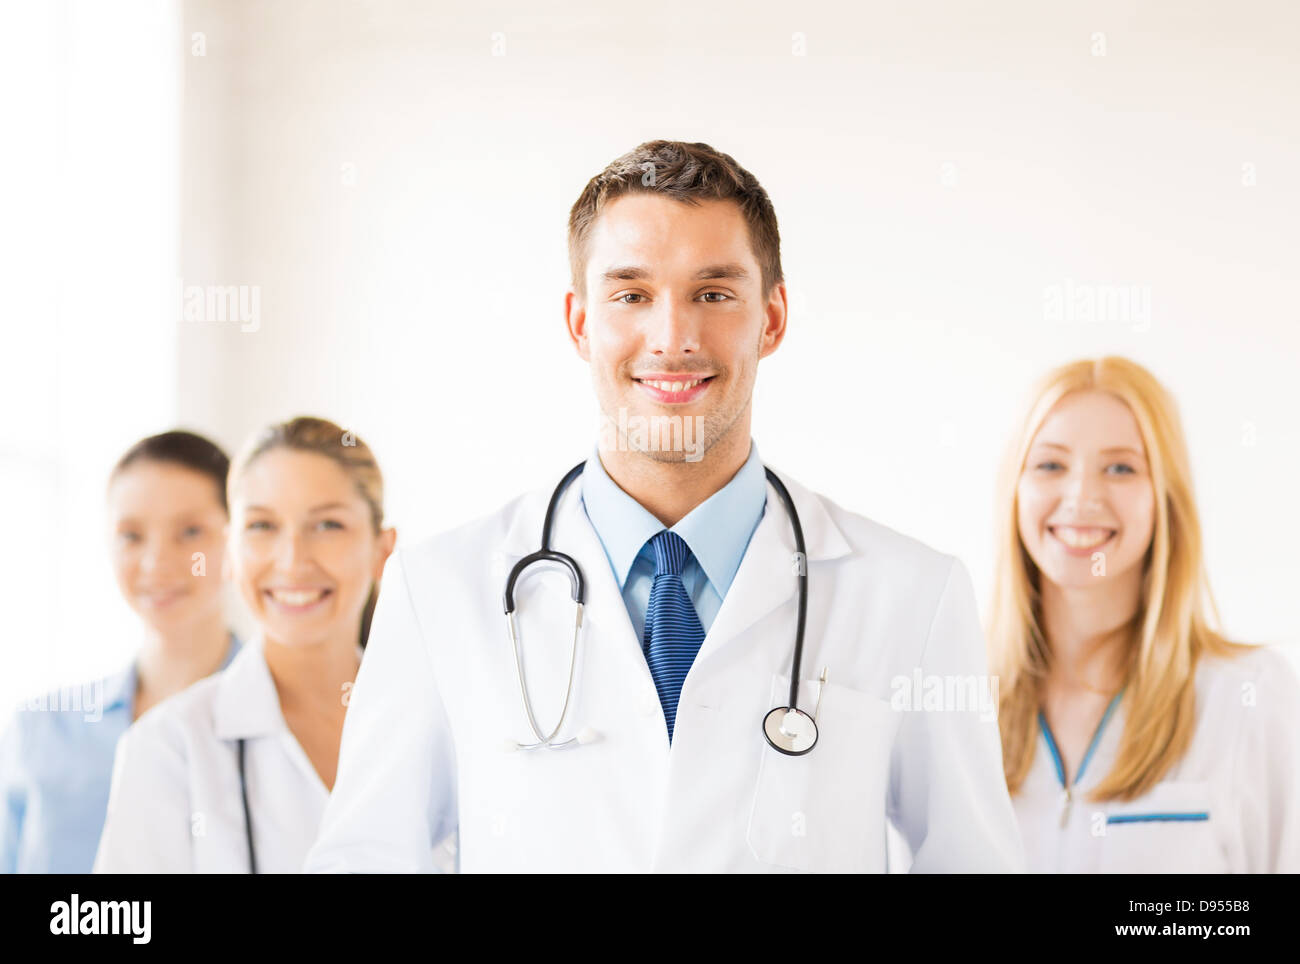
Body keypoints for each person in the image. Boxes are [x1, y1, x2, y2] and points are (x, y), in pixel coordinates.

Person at [305, 140, 1024, 873]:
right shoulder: (441, 591)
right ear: (581, 322)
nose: (674, 338)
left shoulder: (910, 594)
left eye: (713, 293)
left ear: (771, 318)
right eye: (631, 294)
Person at [988, 356, 1300, 872]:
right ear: (1014, 490)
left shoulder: (1252, 698)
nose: (1081, 497)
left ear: (1166, 499)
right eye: (1050, 464)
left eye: (1120, 468)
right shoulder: (956, 700)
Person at [93, 417, 397, 872]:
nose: (293, 561)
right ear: (230, 553)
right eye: (262, 526)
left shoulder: (435, 720)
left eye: (328, 524)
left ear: (382, 549)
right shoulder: (169, 746)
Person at [0, 431, 241, 873]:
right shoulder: (42, 731)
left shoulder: (292, 722)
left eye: (190, 531)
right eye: (131, 535)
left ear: (239, 538)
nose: (156, 563)